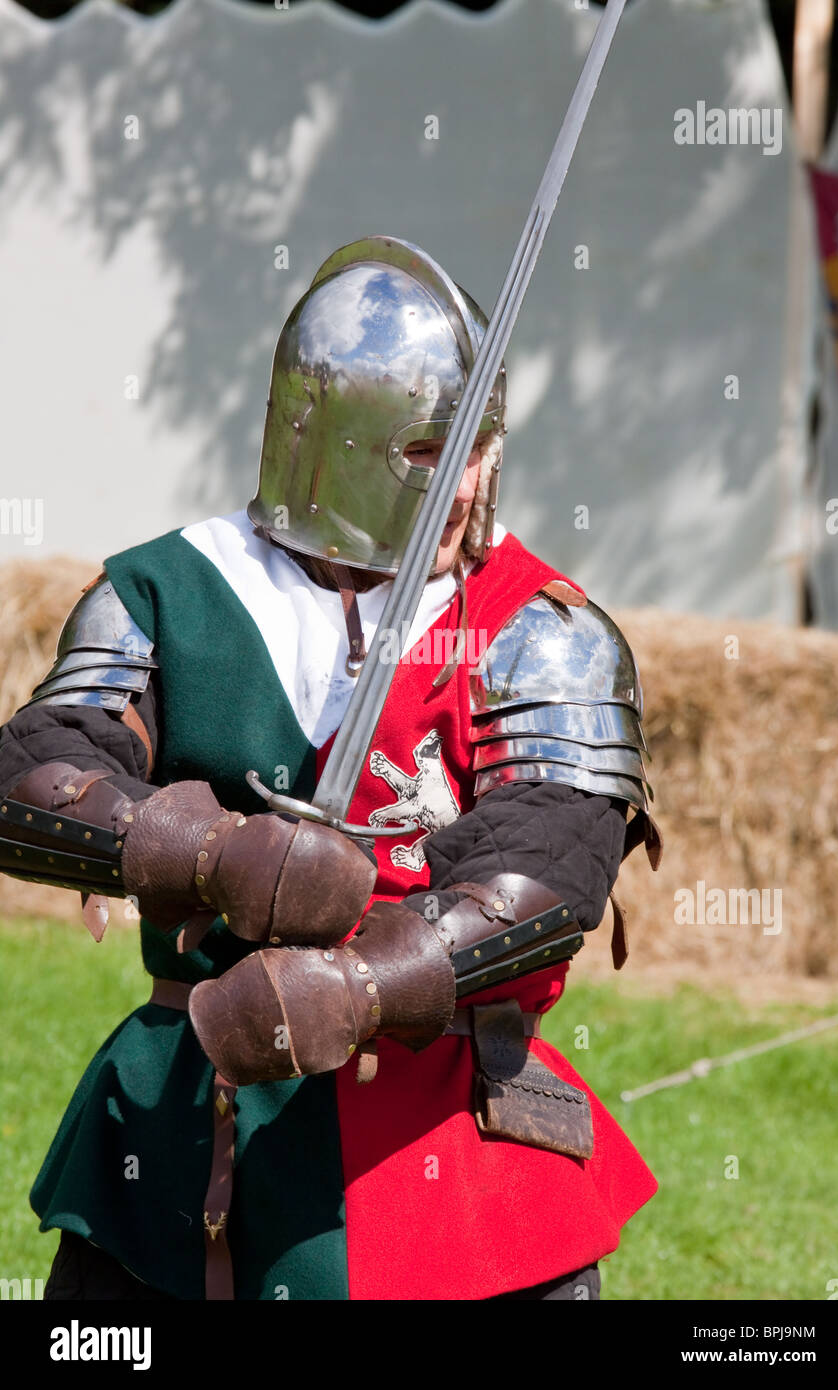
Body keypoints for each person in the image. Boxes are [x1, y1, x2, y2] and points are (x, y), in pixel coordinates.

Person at [0, 235, 662, 1302]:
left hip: (442, 1125)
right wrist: (212, 851)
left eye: (477, 449)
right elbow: (34, 779)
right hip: (195, 1100)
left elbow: (551, 871)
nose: (471, 482)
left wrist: (360, 983)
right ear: (341, 444)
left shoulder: (539, 630)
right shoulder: (171, 591)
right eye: (432, 453)